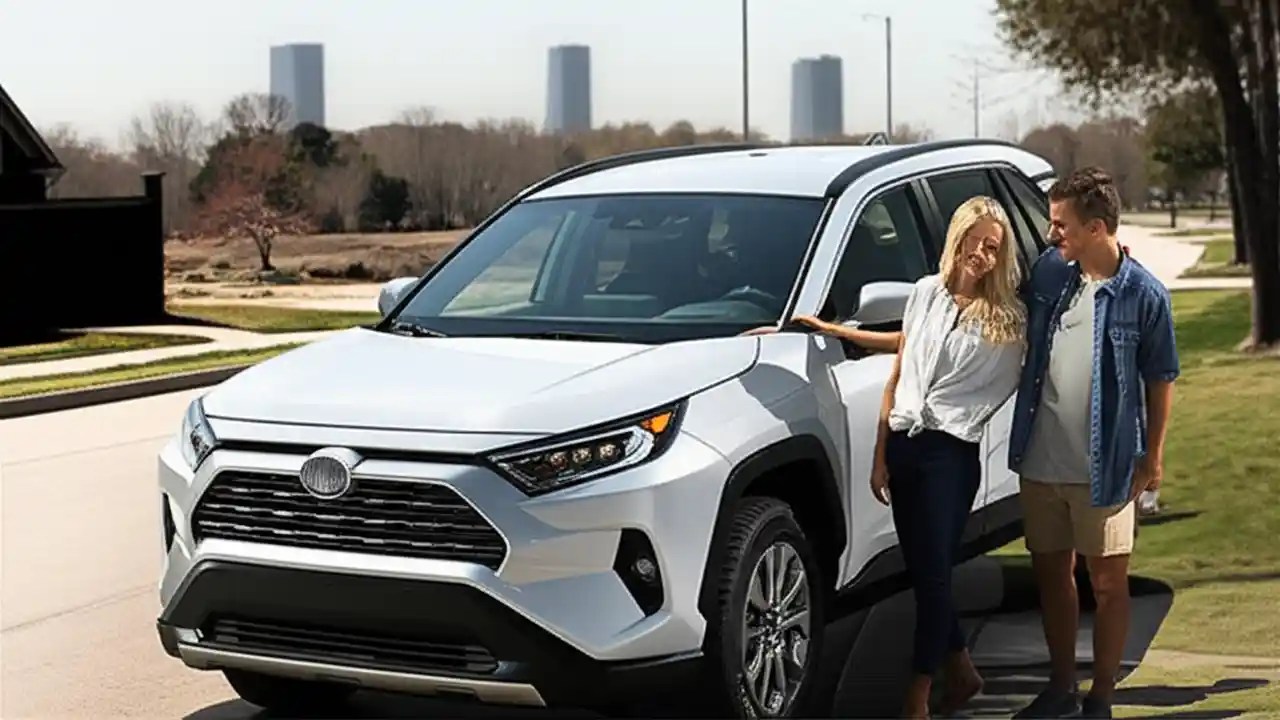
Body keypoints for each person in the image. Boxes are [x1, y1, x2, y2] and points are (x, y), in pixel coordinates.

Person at [1007, 167, 1179, 719]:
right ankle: (1062, 689)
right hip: (1041, 461)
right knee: (1052, 578)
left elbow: (1162, 378)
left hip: (1107, 468)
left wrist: (1152, 457)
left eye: (1062, 226)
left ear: (1098, 228)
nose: (1052, 235)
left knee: (1107, 586)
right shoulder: (1050, 277)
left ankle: (1101, 697)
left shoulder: (1144, 294)